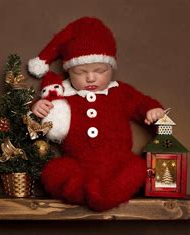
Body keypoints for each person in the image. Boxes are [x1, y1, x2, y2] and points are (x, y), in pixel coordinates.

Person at [29, 17, 166, 211]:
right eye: (81, 72)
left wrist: (153, 111)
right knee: (54, 172)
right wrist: (38, 108)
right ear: (68, 71)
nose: (91, 77)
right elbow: (42, 115)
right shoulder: (63, 93)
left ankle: (102, 195)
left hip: (118, 163)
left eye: (99, 70)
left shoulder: (119, 92)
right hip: (79, 165)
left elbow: (142, 104)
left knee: (138, 168)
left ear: (110, 68)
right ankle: (92, 193)